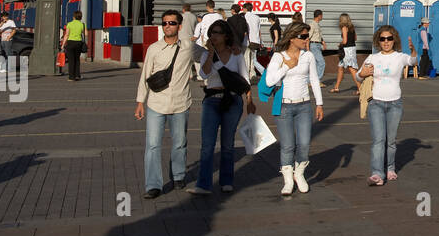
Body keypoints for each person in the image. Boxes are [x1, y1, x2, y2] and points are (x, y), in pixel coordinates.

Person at [134, 10, 195, 198]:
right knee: (152, 145)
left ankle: (178, 176)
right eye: (165, 23)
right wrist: (140, 102)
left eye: (172, 23)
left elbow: (210, 53)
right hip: (156, 103)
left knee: (179, 143)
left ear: (180, 26)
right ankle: (153, 185)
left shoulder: (189, 47)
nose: (167, 26)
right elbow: (145, 76)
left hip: (180, 103)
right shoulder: (153, 49)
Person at [193, 19, 253, 194]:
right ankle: (203, 184)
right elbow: (203, 73)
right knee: (208, 144)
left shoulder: (236, 54)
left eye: (217, 32)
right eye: (211, 32)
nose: (213, 35)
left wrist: (250, 100)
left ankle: (226, 181)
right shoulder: (206, 55)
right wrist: (210, 53)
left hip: (233, 100)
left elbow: (245, 79)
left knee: (227, 143)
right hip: (212, 99)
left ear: (226, 36)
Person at [264, 21, 323, 195]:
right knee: (288, 146)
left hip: (304, 104)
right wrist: (286, 67)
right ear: (291, 38)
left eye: (307, 36)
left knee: (304, 144)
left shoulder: (308, 56)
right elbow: (269, 81)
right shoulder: (278, 56)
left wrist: (319, 103)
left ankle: (300, 174)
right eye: (303, 36)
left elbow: (313, 80)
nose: (307, 39)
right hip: (284, 106)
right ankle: (288, 180)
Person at [360, 25, 416, 185]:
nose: (386, 42)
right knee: (378, 140)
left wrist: (413, 50)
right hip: (376, 103)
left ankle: (390, 168)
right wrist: (362, 74)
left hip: (395, 104)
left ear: (394, 40)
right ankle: (377, 173)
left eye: (389, 39)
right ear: (378, 41)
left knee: (390, 141)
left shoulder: (400, 57)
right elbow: (359, 76)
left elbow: (413, 61)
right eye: (382, 39)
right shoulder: (373, 58)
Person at [331, 13, 362, 93]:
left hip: (347, 50)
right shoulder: (352, 27)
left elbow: (344, 41)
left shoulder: (344, 28)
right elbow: (355, 38)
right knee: (340, 68)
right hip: (352, 49)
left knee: (351, 69)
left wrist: (340, 44)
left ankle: (360, 88)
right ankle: (336, 87)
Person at [61, 11, 87, 81]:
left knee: (71, 60)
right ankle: (77, 75)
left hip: (70, 43)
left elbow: (66, 35)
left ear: (74, 17)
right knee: (77, 59)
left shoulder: (69, 24)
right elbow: (86, 34)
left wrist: (63, 44)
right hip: (78, 43)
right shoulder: (82, 24)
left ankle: (71, 77)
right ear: (80, 17)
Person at [307, 9, 327, 83]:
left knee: (314, 65)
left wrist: (323, 42)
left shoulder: (317, 24)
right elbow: (308, 37)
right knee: (322, 63)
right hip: (314, 45)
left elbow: (317, 35)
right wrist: (308, 48)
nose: (322, 17)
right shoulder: (312, 24)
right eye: (322, 15)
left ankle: (310, 81)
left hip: (317, 45)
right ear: (319, 16)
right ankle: (316, 80)